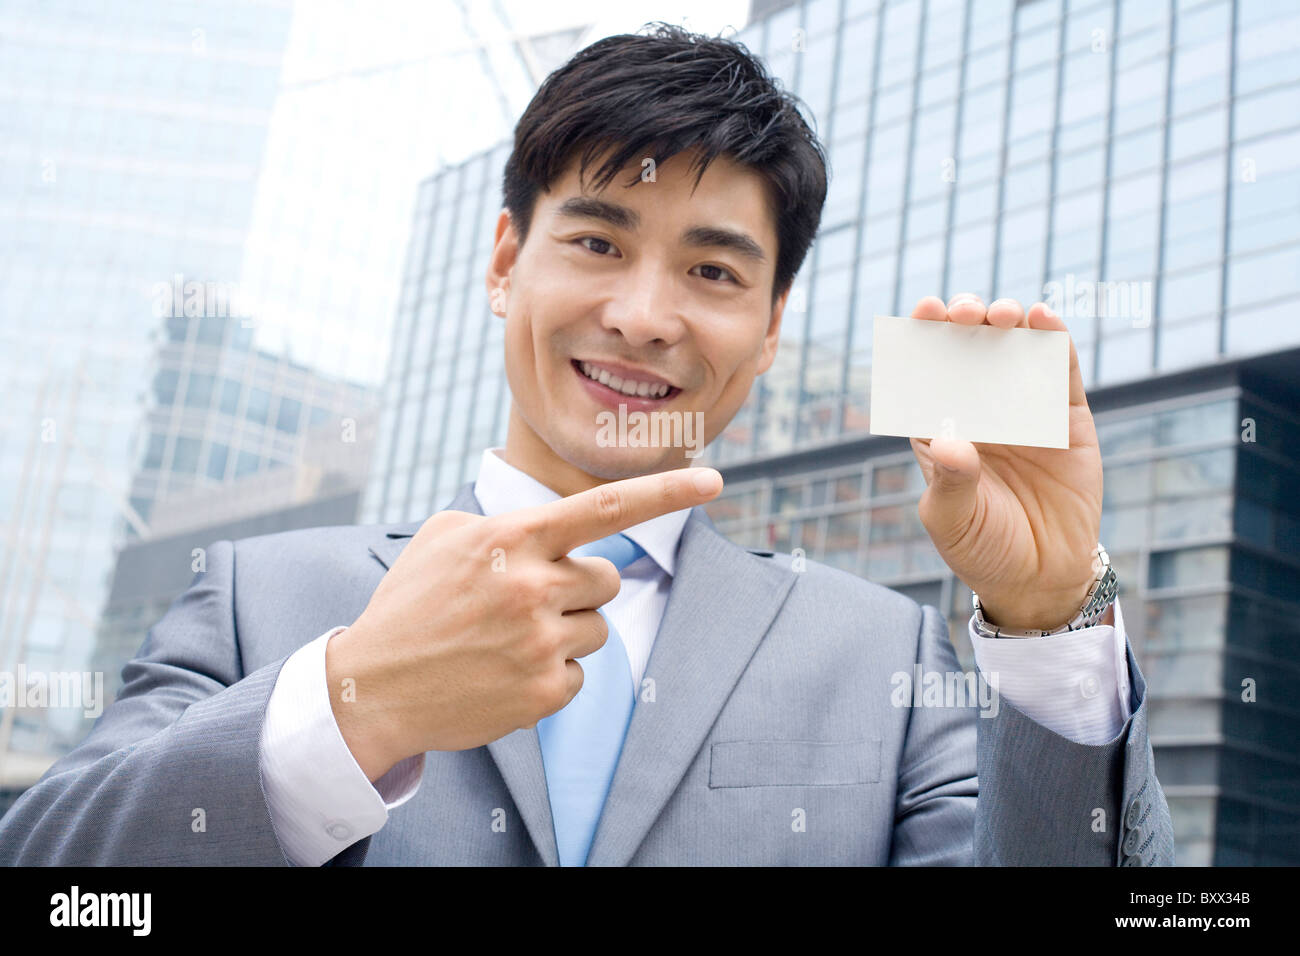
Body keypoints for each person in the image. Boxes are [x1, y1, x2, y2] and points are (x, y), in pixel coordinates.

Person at [0, 23, 1173, 866]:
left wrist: (1052, 616)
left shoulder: (882, 655)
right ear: (506, 261)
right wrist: (350, 706)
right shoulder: (264, 598)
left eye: (712, 270)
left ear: (769, 331)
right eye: (600, 242)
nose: (646, 314)